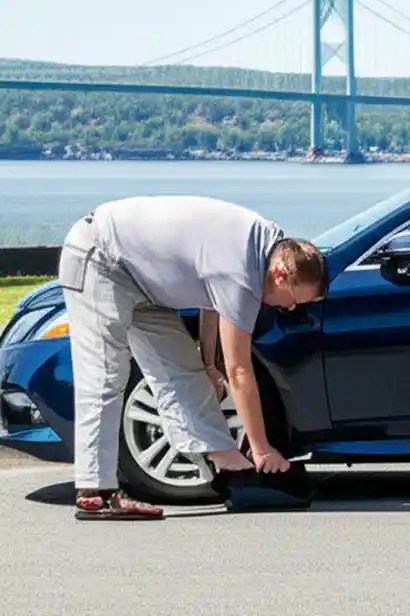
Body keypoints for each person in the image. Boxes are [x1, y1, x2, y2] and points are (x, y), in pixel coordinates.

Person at [57, 195, 326, 520]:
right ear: (281, 274)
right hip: (101, 258)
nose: (290, 308)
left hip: (145, 281)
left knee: (185, 369)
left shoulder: (268, 247)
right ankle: (95, 494)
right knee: (105, 375)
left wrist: (208, 363)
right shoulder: (241, 270)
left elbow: (213, 302)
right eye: (294, 299)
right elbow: (239, 371)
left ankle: (228, 464)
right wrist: (261, 448)